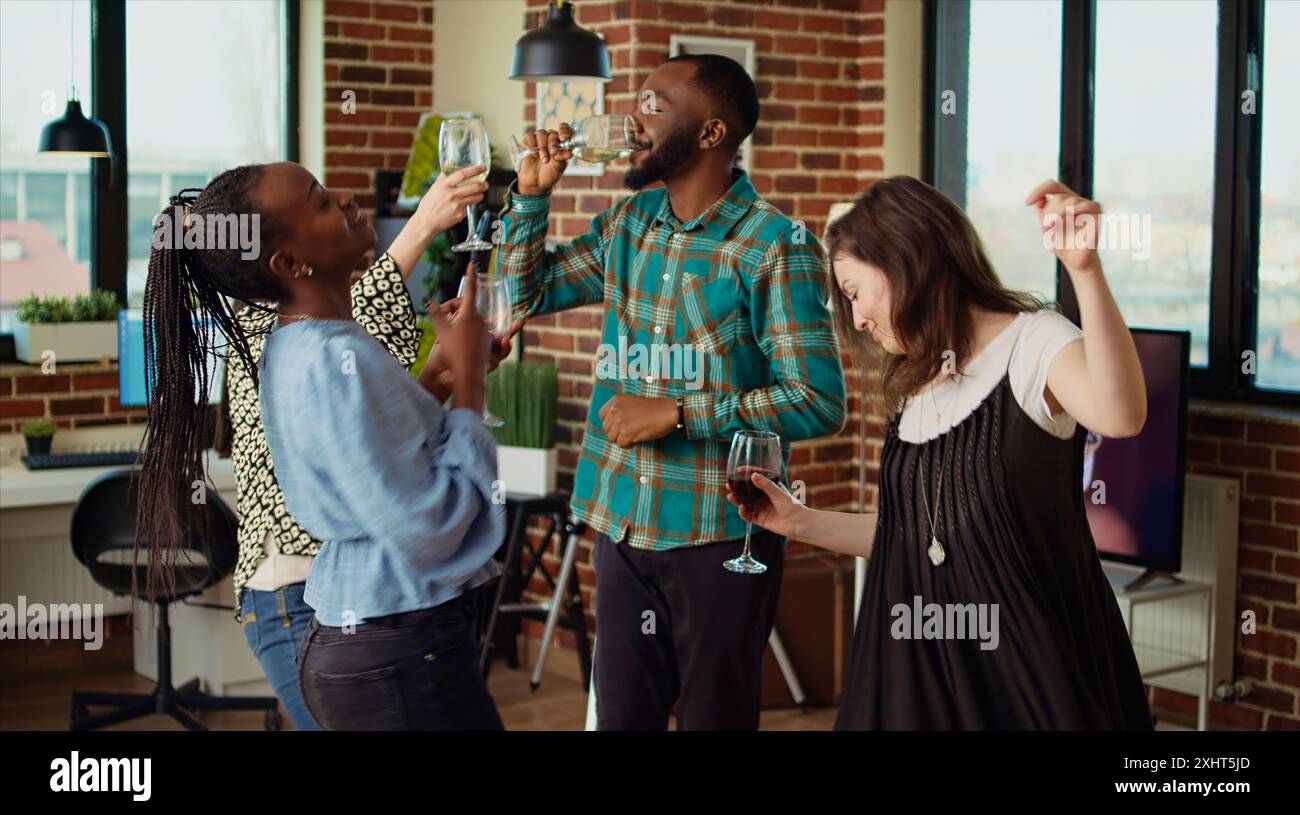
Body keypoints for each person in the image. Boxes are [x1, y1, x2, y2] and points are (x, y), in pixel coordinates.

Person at [496, 54, 847, 730]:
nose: (633, 117)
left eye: (654, 104)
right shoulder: (630, 222)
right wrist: (532, 196)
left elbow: (816, 399)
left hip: (719, 537)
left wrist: (682, 413)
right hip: (622, 525)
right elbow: (524, 291)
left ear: (712, 134)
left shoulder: (775, 246)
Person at [728, 176, 1154, 730]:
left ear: (905, 261)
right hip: (916, 678)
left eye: (855, 294)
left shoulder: (1034, 342)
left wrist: (1085, 271)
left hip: (1025, 682)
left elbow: (1122, 415)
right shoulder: (913, 383)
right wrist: (799, 522)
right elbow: (918, 537)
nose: (855, 321)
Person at [136, 161, 508, 730]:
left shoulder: (303, 345)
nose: (346, 196)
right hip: (392, 641)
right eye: (321, 201)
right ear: (287, 263)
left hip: (363, 630)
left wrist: (444, 373)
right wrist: (471, 388)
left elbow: (376, 449)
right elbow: (429, 524)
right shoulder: (332, 356)